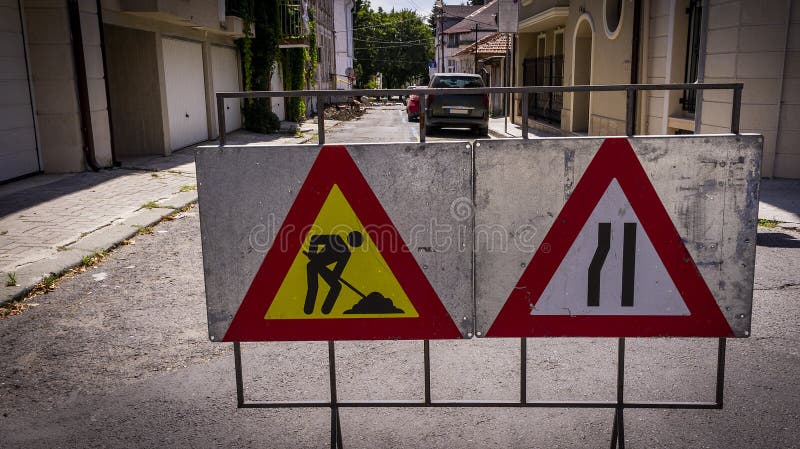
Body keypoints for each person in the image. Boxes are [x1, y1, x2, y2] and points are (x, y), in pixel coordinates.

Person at [304, 231, 363, 314]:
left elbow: (337, 272)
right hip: (313, 265)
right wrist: (312, 253)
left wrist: (333, 275)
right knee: (314, 287)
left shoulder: (347, 253)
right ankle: (308, 310)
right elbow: (314, 239)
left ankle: (325, 310)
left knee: (337, 286)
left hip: (322, 268)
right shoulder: (335, 239)